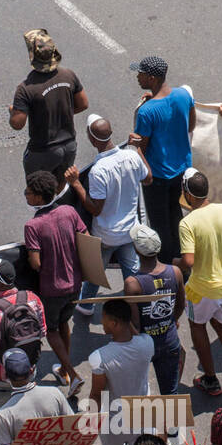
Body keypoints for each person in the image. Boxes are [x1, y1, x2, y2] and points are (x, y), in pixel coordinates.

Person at [176, 169, 222, 397]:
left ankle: (211, 380)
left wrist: (174, 262)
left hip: (203, 290)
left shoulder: (187, 223)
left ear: (188, 194)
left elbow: (188, 261)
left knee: (197, 326)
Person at [65, 115, 150, 315]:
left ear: (93, 140)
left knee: (96, 272)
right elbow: (149, 178)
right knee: (133, 272)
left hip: (106, 235)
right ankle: (137, 304)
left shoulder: (98, 171)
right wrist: (137, 149)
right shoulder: (132, 156)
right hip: (130, 231)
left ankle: (86, 305)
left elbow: (96, 209)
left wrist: (76, 183)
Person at [24, 171, 87, 394]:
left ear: (40, 198)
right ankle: (64, 371)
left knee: (50, 330)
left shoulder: (33, 226)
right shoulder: (69, 212)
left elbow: (36, 263)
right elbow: (85, 238)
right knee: (63, 324)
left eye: (29, 193)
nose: (26, 196)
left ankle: (73, 373)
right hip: (75, 285)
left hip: (52, 289)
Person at [128, 56, 195, 265]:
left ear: (152, 78)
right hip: (182, 170)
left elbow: (142, 147)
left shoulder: (147, 111)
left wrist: (134, 143)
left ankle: (167, 266)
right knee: (176, 216)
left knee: (159, 224)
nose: (138, 77)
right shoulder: (184, 95)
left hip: (157, 176)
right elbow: (191, 125)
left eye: (140, 74)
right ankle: (183, 259)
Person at [89, 299, 154, 445]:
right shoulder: (147, 344)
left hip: (114, 416)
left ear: (115, 323)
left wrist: (90, 425)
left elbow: (96, 394)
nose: (101, 323)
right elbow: (134, 333)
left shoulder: (99, 357)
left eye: (105, 320)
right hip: (143, 412)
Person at [0, 257, 47, 420]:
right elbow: (42, 333)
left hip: (0, 379)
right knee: (25, 409)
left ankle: (3, 443)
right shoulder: (33, 299)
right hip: (28, 372)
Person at [10, 29, 88, 178]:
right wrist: (60, 113)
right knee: (61, 188)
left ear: (32, 56)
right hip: (69, 146)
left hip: (42, 152)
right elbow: (83, 104)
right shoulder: (68, 75)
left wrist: (12, 112)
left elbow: (17, 124)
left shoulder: (26, 88)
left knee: (39, 193)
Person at [123, 224, 185, 396]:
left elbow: (134, 325)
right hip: (170, 341)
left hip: (144, 345)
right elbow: (180, 305)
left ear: (137, 250)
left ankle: (146, 423)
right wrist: (170, 321)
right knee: (170, 393)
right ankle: (172, 423)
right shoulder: (176, 272)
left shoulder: (132, 283)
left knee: (138, 393)